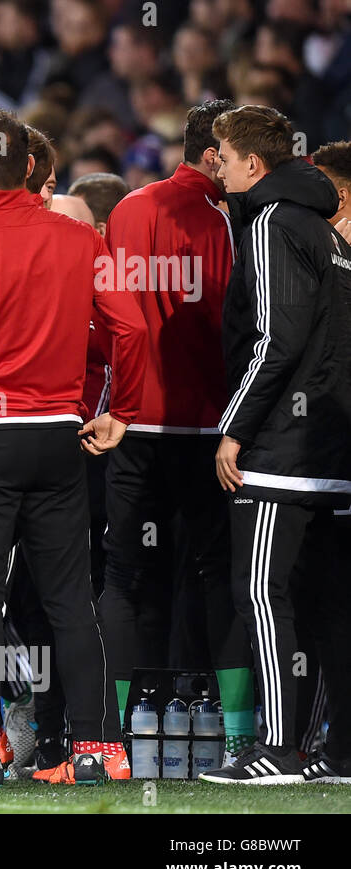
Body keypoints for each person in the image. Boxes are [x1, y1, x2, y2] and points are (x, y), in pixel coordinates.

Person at [0, 109, 148, 790]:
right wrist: (119, 412)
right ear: (36, 169)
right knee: (72, 595)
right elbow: (130, 329)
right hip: (59, 437)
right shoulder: (79, 240)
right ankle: (101, 747)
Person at [97, 99, 257, 761]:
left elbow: (110, 315)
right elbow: (241, 326)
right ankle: (238, 733)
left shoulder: (129, 210)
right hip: (208, 429)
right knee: (218, 575)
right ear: (215, 153)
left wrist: (119, 405)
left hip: (133, 424)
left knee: (127, 578)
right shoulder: (230, 221)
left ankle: (112, 733)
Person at [202, 105, 351, 784]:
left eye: (223, 154)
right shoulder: (326, 230)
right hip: (329, 449)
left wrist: (235, 427)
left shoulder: (271, 224)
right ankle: (332, 749)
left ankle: (280, 746)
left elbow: (274, 341)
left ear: (254, 165)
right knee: (320, 601)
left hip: (281, 451)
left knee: (261, 592)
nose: (216, 164)